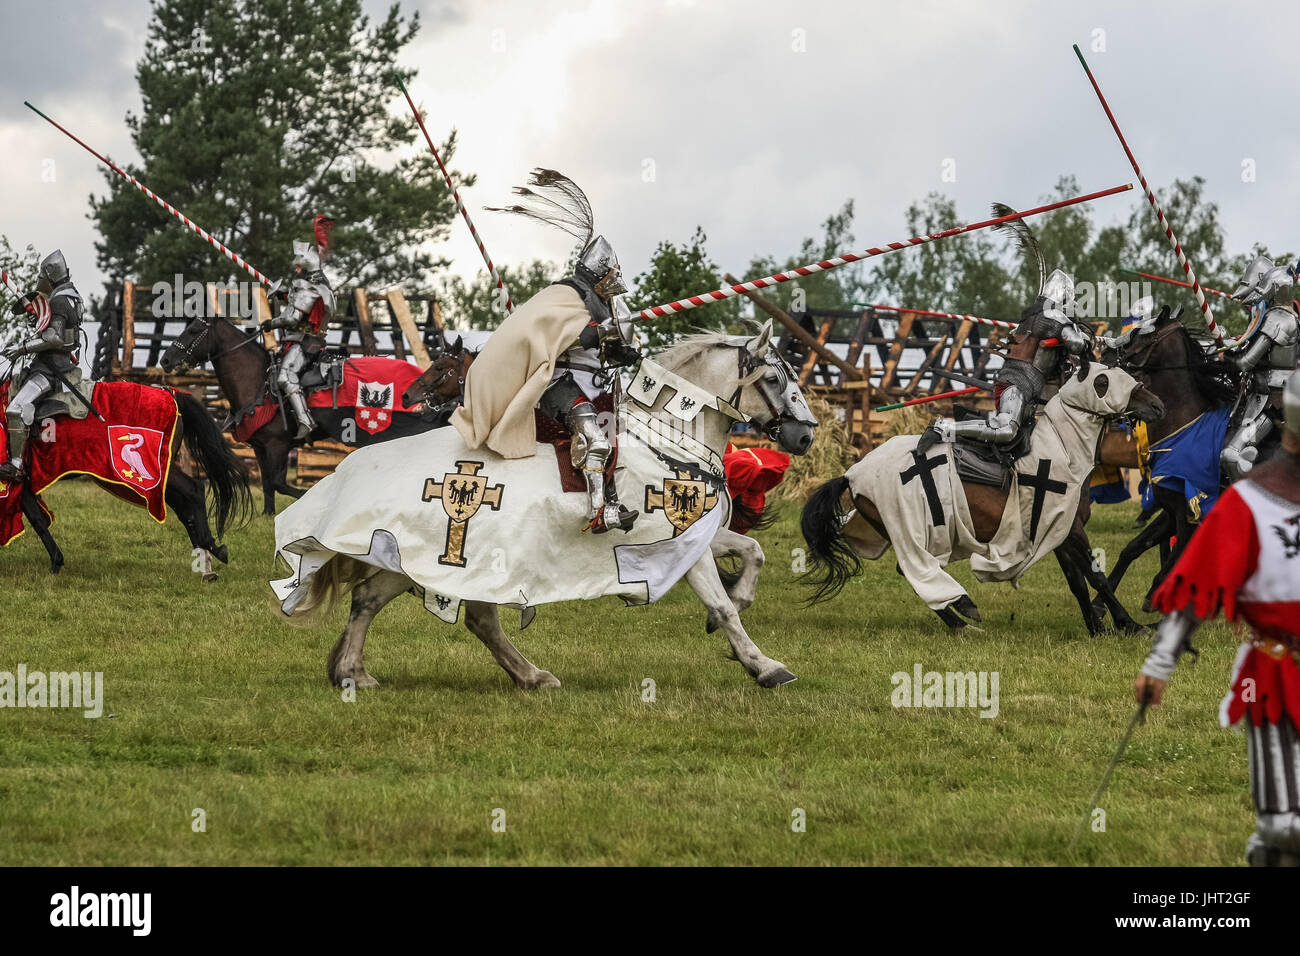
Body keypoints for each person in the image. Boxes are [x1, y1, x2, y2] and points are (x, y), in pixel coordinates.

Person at [1135, 368, 1300, 865]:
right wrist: (1159, 664)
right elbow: (1197, 589)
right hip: (1275, 675)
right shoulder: (1249, 502)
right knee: (1282, 826)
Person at [451, 169, 640, 533]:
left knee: (619, 440)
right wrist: (598, 334)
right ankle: (599, 511)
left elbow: (609, 350)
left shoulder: (605, 304)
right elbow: (562, 339)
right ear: (600, 273)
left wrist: (621, 349)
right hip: (561, 383)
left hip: (597, 384)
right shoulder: (565, 295)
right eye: (612, 271)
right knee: (594, 438)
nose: (616, 277)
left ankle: (613, 499)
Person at [917, 269, 1092, 457]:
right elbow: (1076, 344)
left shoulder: (1029, 319)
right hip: (1017, 384)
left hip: (1018, 383)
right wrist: (1080, 331)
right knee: (1006, 429)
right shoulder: (1055, 318)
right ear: (1065, 298)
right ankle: (942, 428)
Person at [1, 250, 84, 481]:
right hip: (59, 362)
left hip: (50, 369)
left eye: (41, 274)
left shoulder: (58, 300)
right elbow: (59, 331)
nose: (40, 279)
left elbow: (54, 338)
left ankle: (16, 465)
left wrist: (22, 348)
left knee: (15, 408)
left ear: (49, 273)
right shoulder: (72, 296)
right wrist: (40, 323)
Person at [1220, 254, 1299, 479]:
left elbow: (1245, 361)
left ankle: (1247, 507)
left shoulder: (1278, 320)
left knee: (1231, 455)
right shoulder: (1285, 317)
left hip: (1271, 403)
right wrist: (1227, 344)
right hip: (1270, 396)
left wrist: (1220, 358)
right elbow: (1246, 348)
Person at [261, 216, 335, 440]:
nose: (295, 264)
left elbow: (293, 318)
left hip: (305, 341)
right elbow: (302, 307)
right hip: (307, 338)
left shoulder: (309, 286)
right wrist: (283, 294)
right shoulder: (319, 283)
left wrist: (270, 324)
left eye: (298, 260)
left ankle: (305, 421)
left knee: (285, 376)